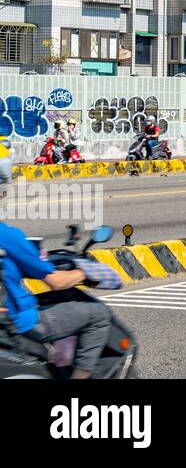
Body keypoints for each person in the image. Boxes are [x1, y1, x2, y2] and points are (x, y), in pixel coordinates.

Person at [0, 153, 111, 378]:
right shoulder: (8, 236)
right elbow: (56, 282)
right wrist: (84, 272)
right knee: (98, 315)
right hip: (18, 322)